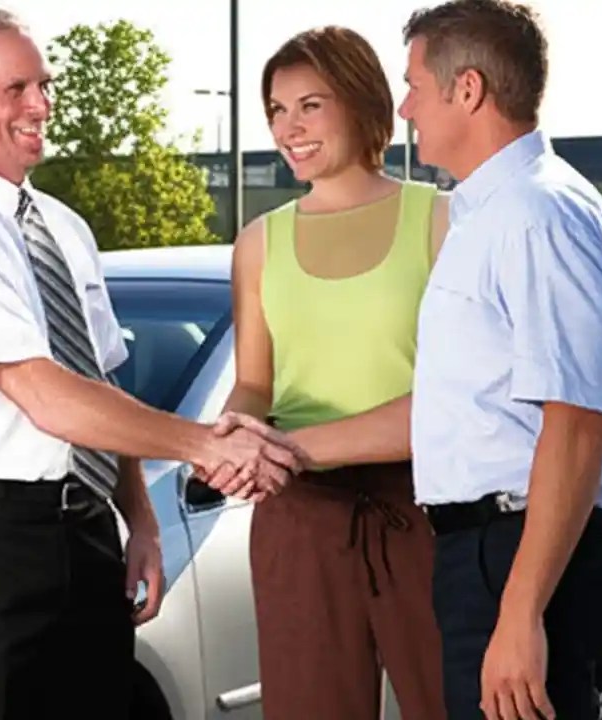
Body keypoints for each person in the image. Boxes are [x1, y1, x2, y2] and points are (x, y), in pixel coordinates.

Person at [0, 7, 299, 718]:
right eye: (16, 88)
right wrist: (204, 443)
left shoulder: (66, 230)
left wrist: (139, 518)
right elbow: (45, 395)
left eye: (44, 85)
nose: (41, 105)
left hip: (90, 531)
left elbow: (101, 381)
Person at [399, 1, 602, 718]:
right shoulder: (489, 213)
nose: (404, 107)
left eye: (414, 84)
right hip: (496, 555)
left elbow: (575, 423)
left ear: (467, 89)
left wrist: (519, 613)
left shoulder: (537, 215)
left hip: (524, 559)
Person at [208, 25, 450, 720]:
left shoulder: (440, 221)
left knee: (447, 701)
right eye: (277, 111)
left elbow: (454, 391)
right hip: (298, 514)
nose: (290, 128)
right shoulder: (259, 242)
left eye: (309, 105)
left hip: (423, 508)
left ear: (361, 100)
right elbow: (256, 381)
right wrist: (234, 434)